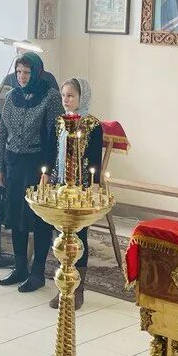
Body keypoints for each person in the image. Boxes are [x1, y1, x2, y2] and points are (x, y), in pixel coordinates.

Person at [0, 51, 63, 292]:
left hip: (37, 166)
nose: (22, 77)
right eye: (19, 72)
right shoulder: (12, 96)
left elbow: (55, 137)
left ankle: (38, 272)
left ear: (37, 72)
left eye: (27, 72)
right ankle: (20, 267)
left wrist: (49, 172)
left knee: (38, 220)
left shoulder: (50, 97)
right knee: (15, 217)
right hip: (13, 163)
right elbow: (2, 134)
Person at [49, 78, 103, 310]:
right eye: (64, 96)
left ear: (83, 98)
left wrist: (93, 186)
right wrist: (51, 181)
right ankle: (63, 286)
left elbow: (95, 161)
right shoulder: (59, 122)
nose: (66, 100)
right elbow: (55, 154)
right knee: (60, 236)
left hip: (81, 187)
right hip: (60, 184)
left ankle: (78, 290)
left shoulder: (92, 125)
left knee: (80, 236)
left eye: (71, 96)